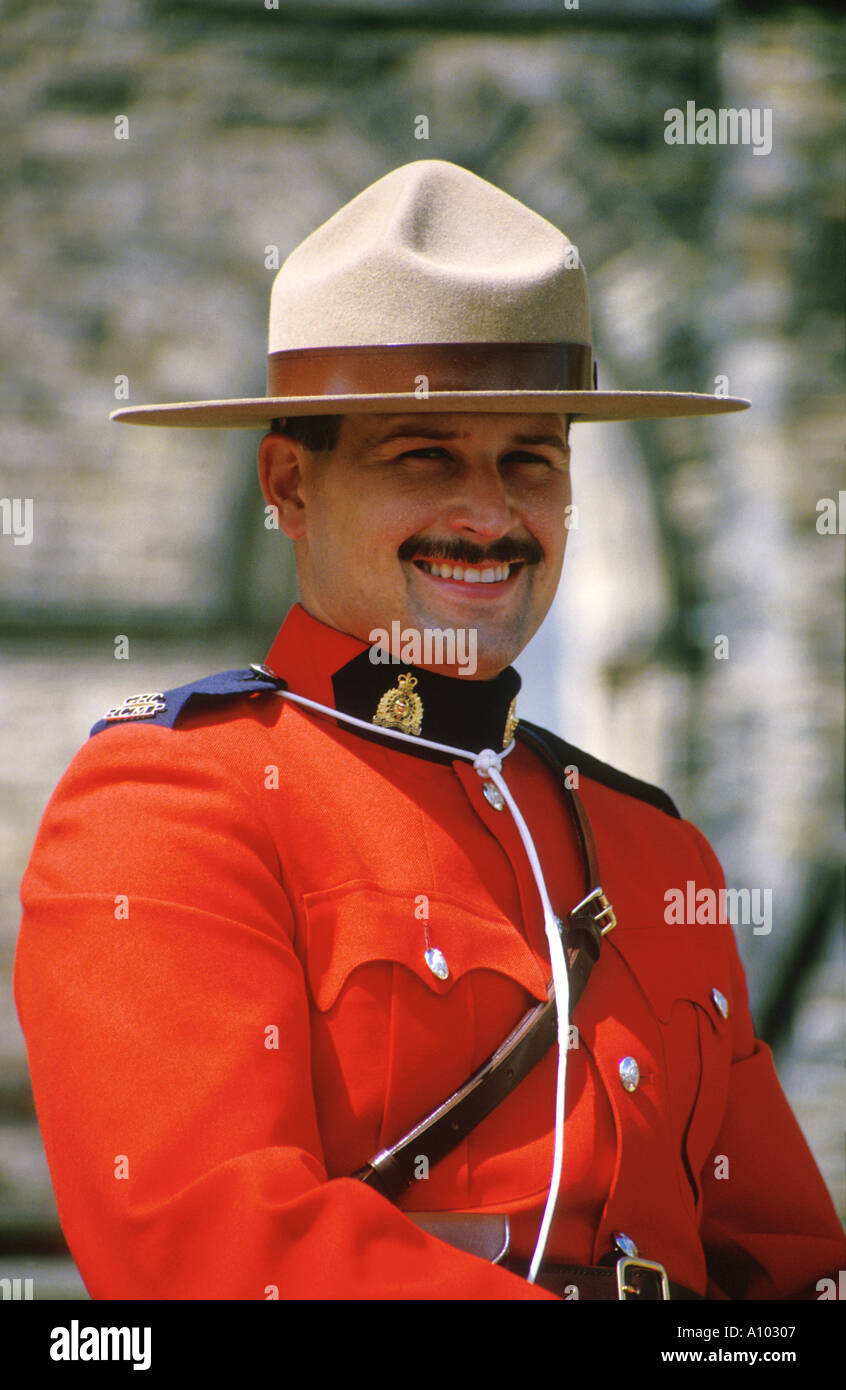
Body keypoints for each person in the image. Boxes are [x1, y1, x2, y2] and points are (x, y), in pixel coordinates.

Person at [14, 160, 844, 1301]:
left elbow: (793, 1265)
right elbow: (211, 1252)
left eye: (530, 463)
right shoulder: (171, 807)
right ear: (291, 487)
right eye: (426, 456)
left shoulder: (656, 854)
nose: (492, 515)